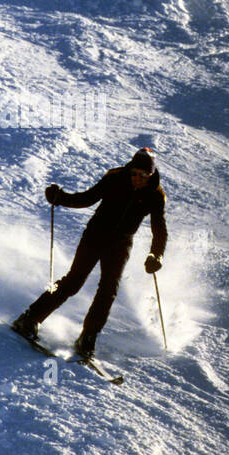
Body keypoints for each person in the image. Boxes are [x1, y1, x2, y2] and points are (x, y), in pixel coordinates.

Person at [12, 147, 167, 359]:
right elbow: (88, 198)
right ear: (130, 169)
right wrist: (61, 198)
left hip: (121, 244)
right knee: (73, 281)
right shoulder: (115, 178)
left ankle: (88, 337)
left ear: (150, 175)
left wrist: (155, 255)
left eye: (143, 175)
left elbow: (159, 230)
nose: (137, 179)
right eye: (134, 173)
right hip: (95, 235)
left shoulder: (156, 195)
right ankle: (30, 319)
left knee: (108, 289)